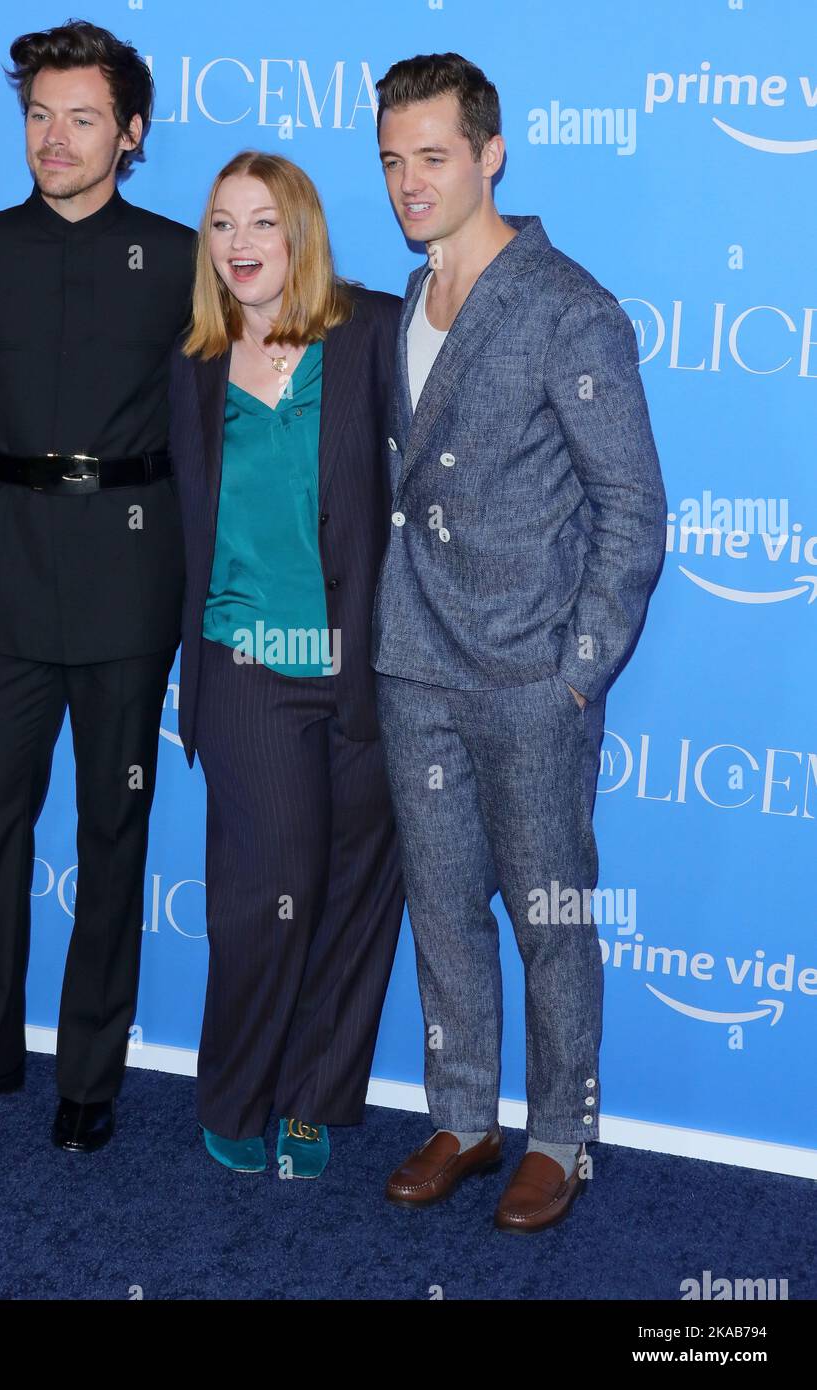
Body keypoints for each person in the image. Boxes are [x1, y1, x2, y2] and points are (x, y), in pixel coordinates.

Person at [0, 20, 195, 1153]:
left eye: (80, 118)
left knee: (114, 824)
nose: (53, 138)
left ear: (130, 133)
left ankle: (91, 1077)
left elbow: (217, 418)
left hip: (130, 575)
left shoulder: (177, 257)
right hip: (7, 577)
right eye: (38, 115)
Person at [371, 54, 666, 1230]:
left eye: (432, 157)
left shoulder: (567, 305)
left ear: (491, 155)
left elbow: (634, 509)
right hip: (414, 661)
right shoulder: (410, 292)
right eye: (392, 159)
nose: (409, 181)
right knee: (442, 910)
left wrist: (575, 674)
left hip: (529, 677)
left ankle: (560, 1134)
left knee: (549, 918)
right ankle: (462, 1114)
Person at [168, 151, 406, 1177]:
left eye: (261, 223)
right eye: (222, 225)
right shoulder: (189, 361)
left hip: (372, 663)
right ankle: (236, 1091)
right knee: (267, 890)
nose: (240, 246)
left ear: (301, 233)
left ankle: (313, 1097)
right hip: (251, 658)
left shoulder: (375, 334)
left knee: (358, 885)